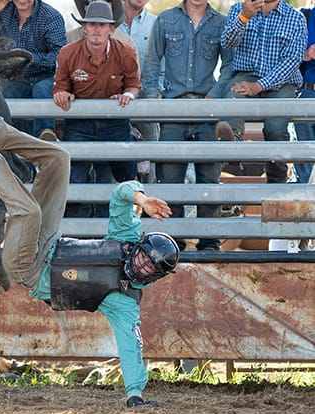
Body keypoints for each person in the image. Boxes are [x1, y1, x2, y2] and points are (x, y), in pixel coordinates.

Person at [0, 80, 179, 408]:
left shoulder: (125, 304)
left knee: (28, 209)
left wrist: (135, 394)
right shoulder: (126, 238)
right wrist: (141, 197)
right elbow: (120, 196)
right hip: (50, 244)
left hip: (29, 269)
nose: (143, 264)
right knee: (60, 158)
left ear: (152, 277)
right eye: (146, 256)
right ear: (140, 246)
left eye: (150, 268)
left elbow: (131, 347)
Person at [141, 0, 233, 252]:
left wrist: (215, 95)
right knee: (169, 179)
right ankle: (173, 241)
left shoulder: (221, 23)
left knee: (208, 179)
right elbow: (151, 59)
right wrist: (151, 96)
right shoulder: (166, 19)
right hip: (173, 107)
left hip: (207, 107)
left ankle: (209, 243)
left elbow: (229, 65)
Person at [53, 1, 140, 218]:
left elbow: (134, 85)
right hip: (79, 122)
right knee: (74, 177)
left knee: (121, 174)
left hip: (115, 120)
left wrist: (127, 96)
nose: (96, 30)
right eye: (91, 24)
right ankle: (73, 234)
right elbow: (60, 86)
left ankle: (112, 234)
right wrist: (63, 94)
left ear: (111, 29)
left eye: (102, 25)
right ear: (84, 27)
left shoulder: (126, 52)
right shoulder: (67, 53)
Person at [220, 0, 306, 184]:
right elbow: (226, 43)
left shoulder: (295, 17)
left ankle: (277, 182)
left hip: (283, 81)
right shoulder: (238, 9)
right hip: (246, 75)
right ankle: (232, 150)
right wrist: (243, 18)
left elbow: (292, 61)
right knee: (231, 103)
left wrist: (259, 86)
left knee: (276, 129)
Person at [0, 0, 65, 141]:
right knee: (8, 93)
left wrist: (27, 58)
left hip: (45, 76)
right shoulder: (3, 11)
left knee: (41, 89)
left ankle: (45, 133)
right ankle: (16, 138)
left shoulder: (51, 16)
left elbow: (59, 57)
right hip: (16, 78)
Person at [119, 0, 160, 183]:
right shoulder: (108, 23)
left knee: (150, 155)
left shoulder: (157, 23)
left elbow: (163, 66)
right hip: (115, 98)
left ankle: (150, 202)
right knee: (114, 155)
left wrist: (153, 92)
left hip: (147, 96)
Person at [294, 5, 315, 184]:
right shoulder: (304, 16)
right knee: (304, 162)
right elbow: (282, 54)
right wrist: (306, 54)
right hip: (308, 92)